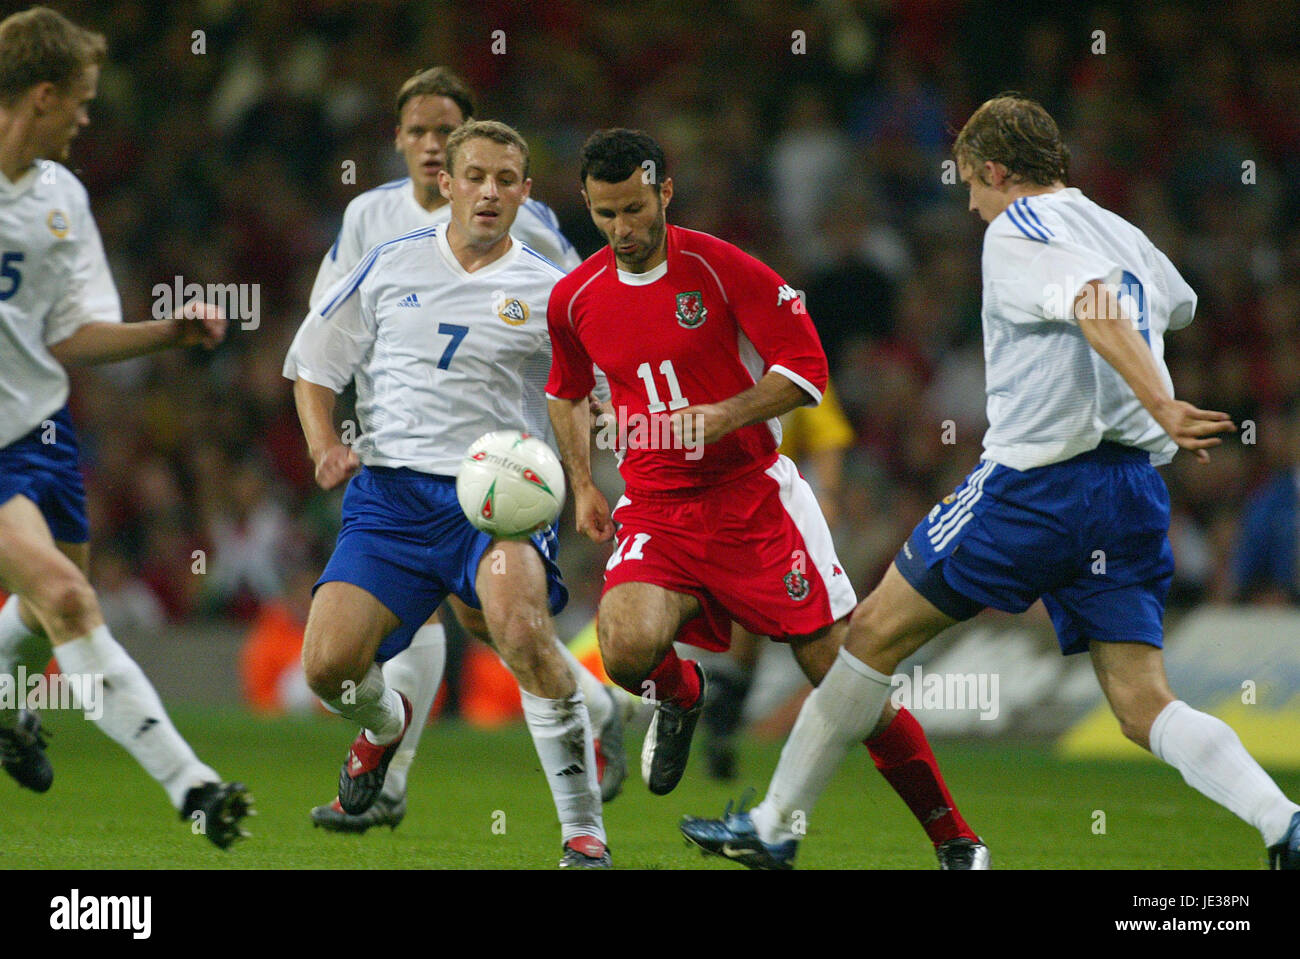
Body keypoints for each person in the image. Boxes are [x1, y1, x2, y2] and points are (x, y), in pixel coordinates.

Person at [681, 93, 1300, 870]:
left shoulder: (1018, 228)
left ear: (997, 170)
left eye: (971, 183)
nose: (971, 204)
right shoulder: (1116, 228)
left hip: (1035, 487)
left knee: (869, 636)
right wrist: (1138, 383)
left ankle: (775, 826)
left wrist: (1159, 399)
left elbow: (1093, 301)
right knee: (1144, 703)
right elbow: (1178, 303)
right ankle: (1284, 823)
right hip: (1133, 491)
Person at [547, 128, 987, 869]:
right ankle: (683, 696)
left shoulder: (722, 270)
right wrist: (584, 482)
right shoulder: (575, 297)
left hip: (752, 500)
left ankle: (955, 837)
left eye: (633, 209)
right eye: (605, 214)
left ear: (665, 191)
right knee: (623, 646)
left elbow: (807, 368)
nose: (622, 229)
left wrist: (725, 413)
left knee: (847, 678)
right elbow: (565, 391)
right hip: (657, 503)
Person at [305, 66, 624, 834]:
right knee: (327, 670)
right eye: (473, 175)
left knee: (513, 630)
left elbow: (581, 382)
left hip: (496, 494)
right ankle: (386, 726)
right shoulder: (383, 248)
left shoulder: (551, 281)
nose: (488, 191)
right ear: (446, 180)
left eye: (505, 180)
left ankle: (584, 834)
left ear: (524, 192)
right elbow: (315, 361)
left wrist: (585, 474)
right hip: (387, 493)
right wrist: (324, 445)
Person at [0, 6, 251, 849]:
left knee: (45, 610)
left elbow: (69, 334)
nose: (86, 115)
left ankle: (4, 705)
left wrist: (169, 332)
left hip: (41, 431)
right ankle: (197, 787)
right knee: (70, 598)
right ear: (41, 95)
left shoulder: (60, 198)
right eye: (80, 99)